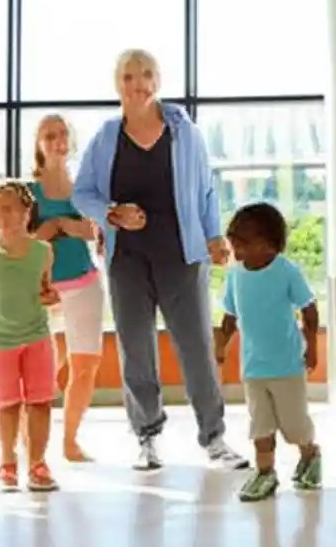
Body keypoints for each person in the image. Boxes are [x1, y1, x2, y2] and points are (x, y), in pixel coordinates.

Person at [72, 48, 246, 471]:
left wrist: (214, 234)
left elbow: (206, 190)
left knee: (196, 348)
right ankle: (146, 437)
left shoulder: (185, 133)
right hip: (127, 259)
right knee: (136, 350)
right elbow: (83, 193)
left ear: (158, 82)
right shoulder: (106, 137)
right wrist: (111, 214)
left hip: (181, 256)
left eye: (146, 75)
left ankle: (215, 438)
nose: (138, 84)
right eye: (129, 76)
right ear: (119, 85)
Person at [214, 202, 322, 502]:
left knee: (295, 425)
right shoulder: (236, 276)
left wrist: (312, 348)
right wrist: (221, 346)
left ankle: (311, 456)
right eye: (233, 237)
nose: (235, 245)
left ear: (269, 245)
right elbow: (229, 317)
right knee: (260, 425)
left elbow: (309, 311)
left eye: (243, 240)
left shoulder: (287, 271)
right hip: (253, 368)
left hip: (287, 365)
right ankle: (265, 473)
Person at [0, 181, 61, 493]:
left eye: (9, 208)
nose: (2, 215)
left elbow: (45, 290)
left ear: (25, 211)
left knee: (40, 402)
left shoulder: (43, 253)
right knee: (7, 405)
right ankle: (7, 462)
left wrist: (49, 296)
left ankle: (38, 463)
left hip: (36, 335)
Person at [29, 114, 106, 463]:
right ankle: (32, 448)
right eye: (49, 135)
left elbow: (100, 230)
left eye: (62, 134)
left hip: (85, 284)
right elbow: (15, 238)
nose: (57, 140)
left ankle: (70, 440)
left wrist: (62, 224)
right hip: (42, 290)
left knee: (85, 365)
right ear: (38, 145)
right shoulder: (28, 193)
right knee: (41, 370)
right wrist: (46, 232)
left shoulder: (85, 188)